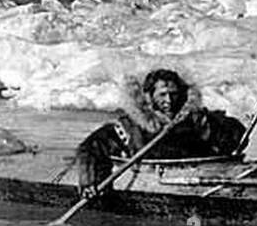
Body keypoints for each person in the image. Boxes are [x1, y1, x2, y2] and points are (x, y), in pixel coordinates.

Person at [74, 69, 246, 198]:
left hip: (200, 178)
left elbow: (233, 138)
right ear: (149, 97)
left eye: (174, 94)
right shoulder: (130, 125)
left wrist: (229, 131)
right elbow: (91, 147)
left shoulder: (196, 120)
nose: (169, 101)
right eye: (162, 95)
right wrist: (90, 181)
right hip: (152, 181)